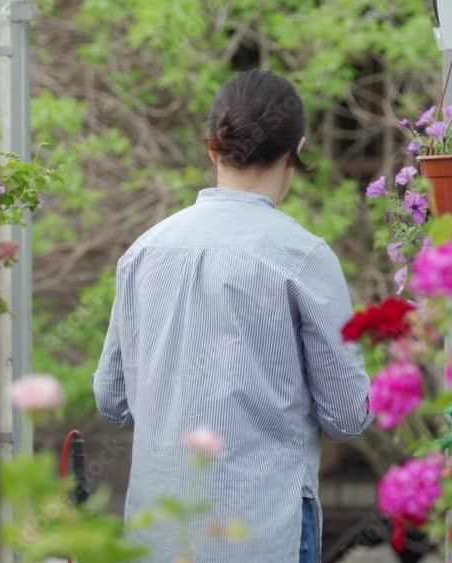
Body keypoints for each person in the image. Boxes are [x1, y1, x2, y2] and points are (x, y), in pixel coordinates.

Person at [93, 70, 373, 563]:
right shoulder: (302, 257)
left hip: (158, 538)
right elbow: (348, 415)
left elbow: (112, 399)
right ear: (297, 150)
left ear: (212, 148)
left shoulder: (143, 252)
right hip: (265, 533)